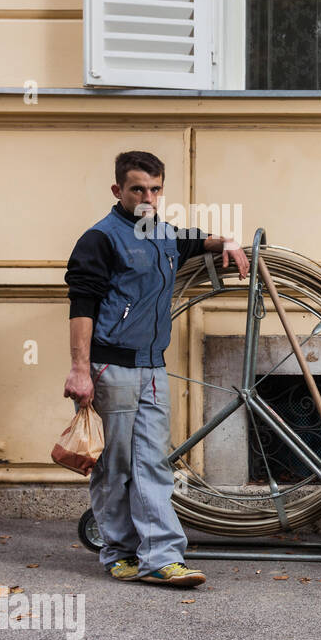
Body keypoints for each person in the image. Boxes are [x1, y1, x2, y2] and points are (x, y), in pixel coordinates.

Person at [63, 150, 250, 587]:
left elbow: (196, 241)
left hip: (152, 370)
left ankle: (161, 557)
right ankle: (118, 552)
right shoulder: (100, 239)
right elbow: (82, 305)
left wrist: (228, 242)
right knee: (116, 466)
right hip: (112, 368)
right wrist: (80, 370)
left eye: (155, 189)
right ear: (118, 191)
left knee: (153, 463)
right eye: (137, 189)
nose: (147, 197)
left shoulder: (163, 234)